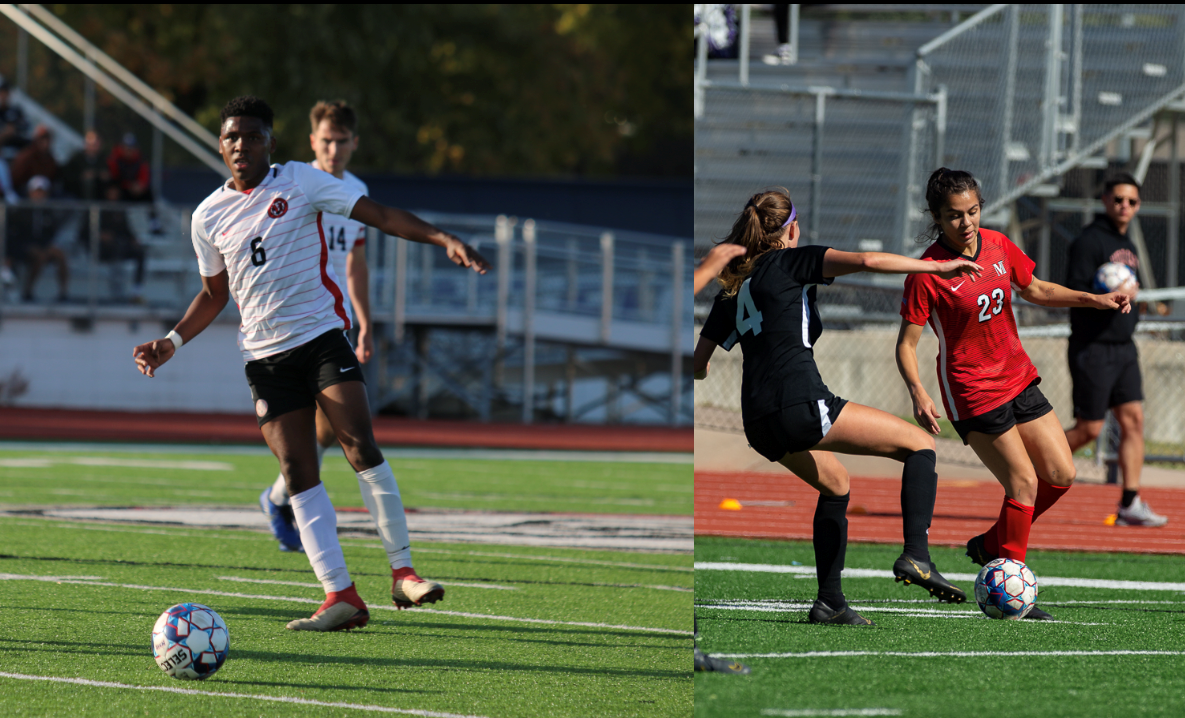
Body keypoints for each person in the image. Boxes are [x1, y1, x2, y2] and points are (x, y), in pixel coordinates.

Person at [132, 96, 490, 632]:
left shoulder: (301, 181)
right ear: (221, 145)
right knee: (298, 470)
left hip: (322, 339)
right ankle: (340, 596)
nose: (240, 146)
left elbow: (381, 215)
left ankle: (403, 572)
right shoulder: (206, 216)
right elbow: (213, 294)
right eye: (231, 137)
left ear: (271, 143)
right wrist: (172, 340)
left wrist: (443, 238)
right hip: (264, 360)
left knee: (359, 445)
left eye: (251, 137)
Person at [695, 188, 983, 627]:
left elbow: (698, 366)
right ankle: (917, 556)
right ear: (791, 228)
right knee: (919, 445)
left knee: (835, 483)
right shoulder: (791, 260)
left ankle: (829, 601)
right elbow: (868, 262)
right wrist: (938, 265)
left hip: (756, 420)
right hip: (799, 402)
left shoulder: (735, 284)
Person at [896, 168, 1131, 621]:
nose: (966, 223)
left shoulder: (999, 245)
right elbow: (907, 344)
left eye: (973, 211)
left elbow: (1036, 289)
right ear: (936, 218)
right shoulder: (928, 272)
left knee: (1061, 474)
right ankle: (1012, 586)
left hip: (1018, 377)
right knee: (1022, 483)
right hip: (973, 391)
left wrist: (1096, 300)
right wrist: (918, 391)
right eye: (954, 216)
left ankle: (991, 545)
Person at [258, 100, 376, 552]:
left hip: (335, 325)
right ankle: (286, 500)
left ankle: (277, 496)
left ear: (353, 143)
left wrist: (365, 323)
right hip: (293, 324)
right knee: (312, 430)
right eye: (325, 140)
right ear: (312, 142)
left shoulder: (357, 189)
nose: (333, 148)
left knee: (331, 431)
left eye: (341, 140)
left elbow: (356, 263)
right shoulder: (294, 184)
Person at [1062, 173, 1167, 527]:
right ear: (1106, 200)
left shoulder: (1129, 246)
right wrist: (1105, 296)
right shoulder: (1088, 242)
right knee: (1089, 430)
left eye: (1132, 202)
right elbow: (1074, 292)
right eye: (1119, 199)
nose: (1125, 207)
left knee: (1133, 421)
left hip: (1124, 348)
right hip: (1093, 347)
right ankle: (1025, 466)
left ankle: (1129, 503)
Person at [8, 175, 68, 302]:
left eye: (42, 192)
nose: (39, 195)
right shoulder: (20, 209)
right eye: (36, 191)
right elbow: (13, 232)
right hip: (23, 246)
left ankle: (63, 293)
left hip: (43, 245)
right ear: (30, 192)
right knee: (40, 256)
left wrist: (49, 246)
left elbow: (51, 232)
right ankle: (28, 291)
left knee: (60, 254)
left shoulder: (49, 211)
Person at [62, 130, 112, 201]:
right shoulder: (77, 159)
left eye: (95, 144)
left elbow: (111, 175)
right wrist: (82, 176)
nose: (92, 147)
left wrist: (105, 176)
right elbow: (68, 176)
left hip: (101, 195)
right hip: (79, 194)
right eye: (90, 144)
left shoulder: (105, 159)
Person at [11, 125, 58, 195]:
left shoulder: (51, 160)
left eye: (47, 139)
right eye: (42, 139)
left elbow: (52, 178)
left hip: (45, 194)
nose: (45, 143)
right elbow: (15, 179)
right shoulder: (26, 156)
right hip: (24, 193)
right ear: (36, 140)